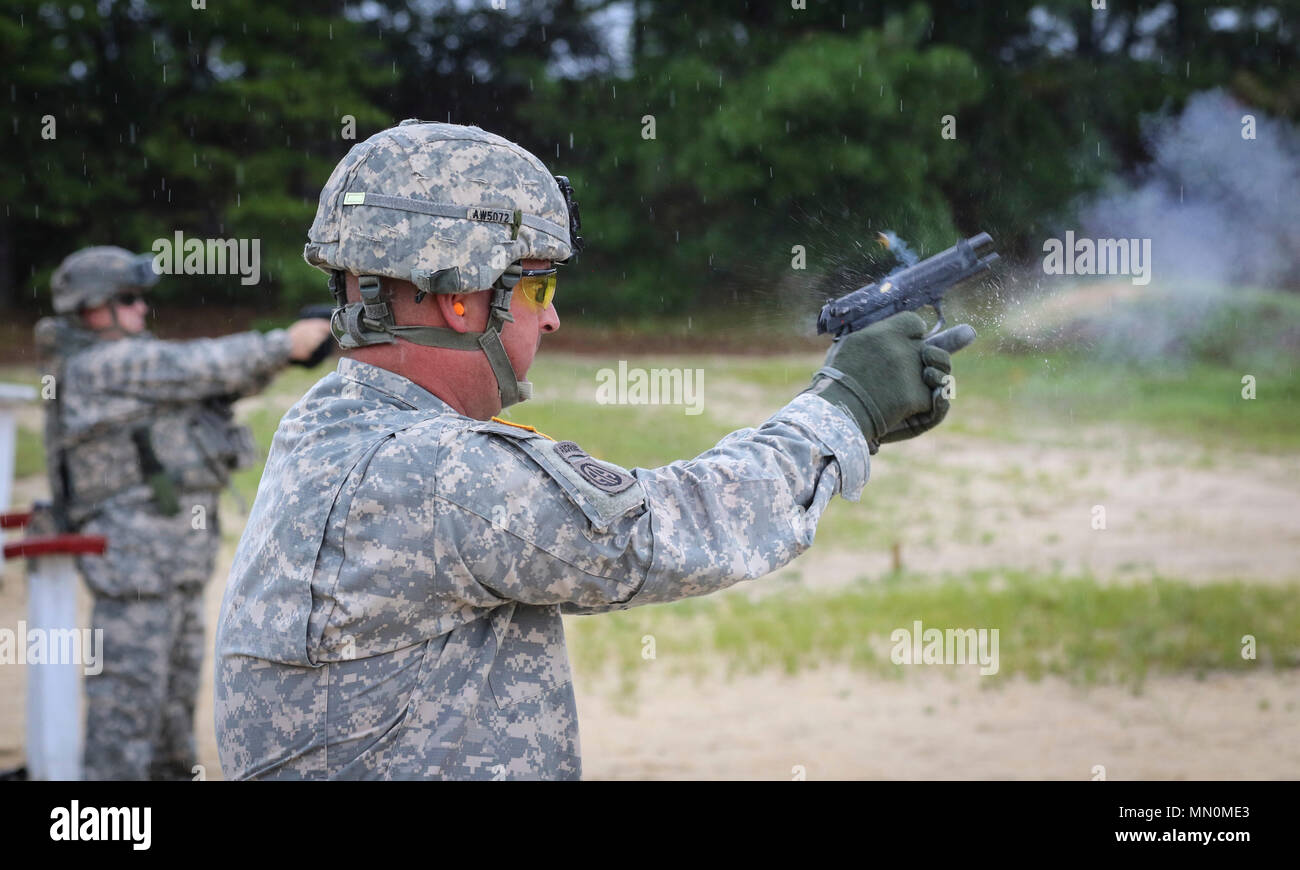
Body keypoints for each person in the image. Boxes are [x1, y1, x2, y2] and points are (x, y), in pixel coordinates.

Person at [215, 120, 972, 780]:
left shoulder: (329, 422)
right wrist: (844, 409)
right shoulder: (434, 469)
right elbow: (660, 533)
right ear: (461, 297)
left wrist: (848, 425)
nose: (553, 321)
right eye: (540, 289)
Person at [35, 245, 333, 780]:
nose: (141, 311)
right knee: (126, 709)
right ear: (91, 309)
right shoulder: (99, 366)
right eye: (128, 300)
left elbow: (214, 383)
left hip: (174, 568)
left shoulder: (131, 367)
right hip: (135, 571)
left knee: (173, 711)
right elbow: (196, 365)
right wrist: (284, 342)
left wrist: (292, 350)